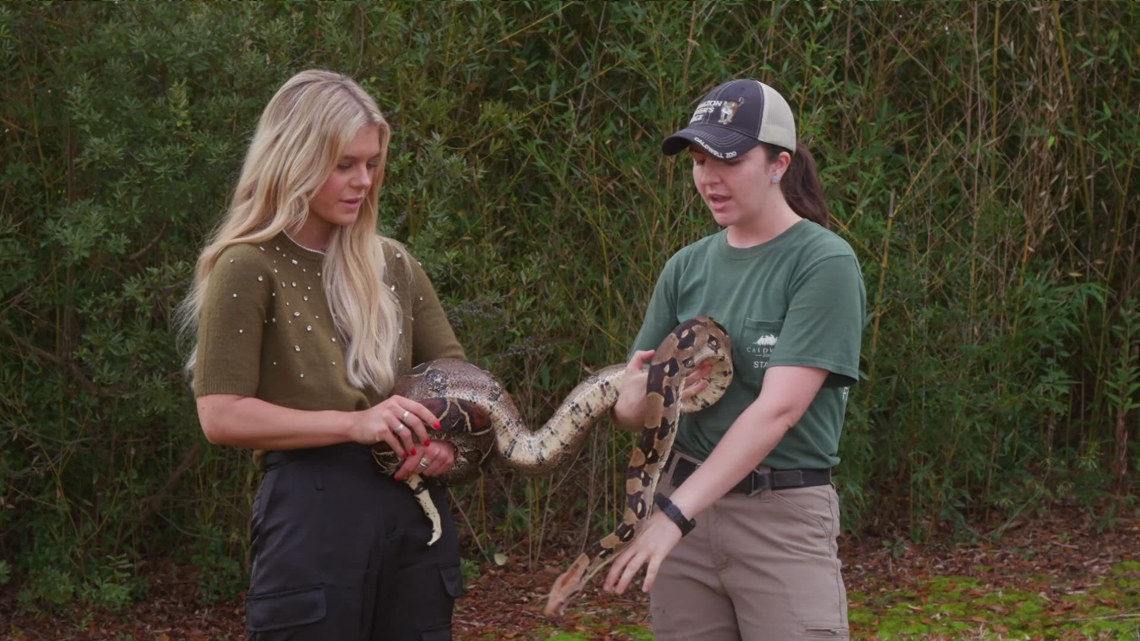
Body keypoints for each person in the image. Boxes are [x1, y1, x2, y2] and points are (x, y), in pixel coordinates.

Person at [180, 69, 466, 640]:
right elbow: (220, 414)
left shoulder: (394, 264)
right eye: (344, 165)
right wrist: (355, 423)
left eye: (371, 163)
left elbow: (457, 383)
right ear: (295, 158)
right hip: (311, 515)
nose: (363, 180)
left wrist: (447, 448)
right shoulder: (247, 265)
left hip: (415, 516)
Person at [603, 79, 866, 640]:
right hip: (684, 509)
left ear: (779, 164)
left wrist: (672, 519)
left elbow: (779, 411)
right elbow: (640, 403)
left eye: (728, 159)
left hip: (780, 519)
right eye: (698, 160)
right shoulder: (685, 268)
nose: (708, 178)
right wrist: (626, 404)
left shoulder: (823, 263)